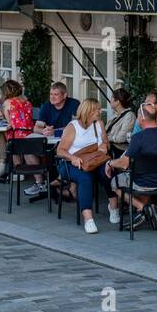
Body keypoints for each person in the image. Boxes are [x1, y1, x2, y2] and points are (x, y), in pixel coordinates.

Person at [106, 103, 157, 230]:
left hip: (141, 182)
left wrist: (110, 163)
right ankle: (145, 212)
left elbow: (124, 163)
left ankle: (144, 209)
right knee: (139, 175)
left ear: (142, 118)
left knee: (114, 183)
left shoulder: (138, 138)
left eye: (138, 116)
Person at [54, 98, 112, 234]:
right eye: (97, 109)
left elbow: (106, 143)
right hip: (70, 164)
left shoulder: (99, 124)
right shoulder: (72, 127)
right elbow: (60, 150)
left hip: (94, 161)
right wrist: (72, 157)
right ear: (88, 111)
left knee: (107, 171)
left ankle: (113, 207)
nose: (100, 111)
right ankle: (88, 218)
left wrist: (104, 145)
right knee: (85, 178)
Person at [0, 80, 38, 188]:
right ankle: (39, 180)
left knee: (14, 149)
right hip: (30, 132)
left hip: (16, 134)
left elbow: (10, 122)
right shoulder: (26, 101)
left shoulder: (8, 103)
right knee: (29, 153)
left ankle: (18, 171)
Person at [105, 87, 138, 156]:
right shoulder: (115, 115)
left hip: (118, 150)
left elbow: (122, 137)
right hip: (109, 146)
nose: (110, 100)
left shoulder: (130, 116)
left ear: (117, 102)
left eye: (112, 98)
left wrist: (106, 138)